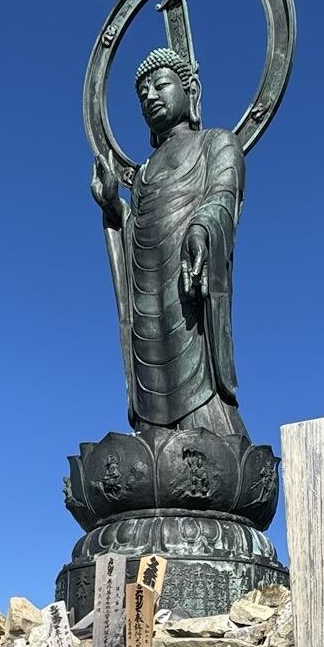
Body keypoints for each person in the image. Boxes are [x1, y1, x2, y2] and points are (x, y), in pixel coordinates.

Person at [91, 46, 249, 440]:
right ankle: (152, 435)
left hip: (191, 297)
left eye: (160, 85)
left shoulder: (217, 143)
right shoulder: (142, 175)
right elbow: (133, 231)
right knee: (148, 437)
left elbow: (222, 197)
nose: (150, 97)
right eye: (142, 93)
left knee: (208, 433)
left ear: (190, 90)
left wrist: (201, 228)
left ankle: (211, 429)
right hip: (149, 308)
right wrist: (113, 204)